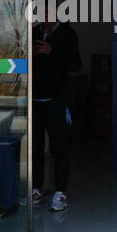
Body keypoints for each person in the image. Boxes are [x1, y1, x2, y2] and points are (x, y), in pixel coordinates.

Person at [31, 18, 81, 212]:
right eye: (41, 12)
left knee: (59, 147)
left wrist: (52, 51)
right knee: (35, 147)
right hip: (34, 99)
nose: (45, 18)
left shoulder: (68, 33)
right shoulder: (34, 32)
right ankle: (36, 189)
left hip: (57, 100)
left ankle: (60, 192)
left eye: (48, 12)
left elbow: (76, 64)